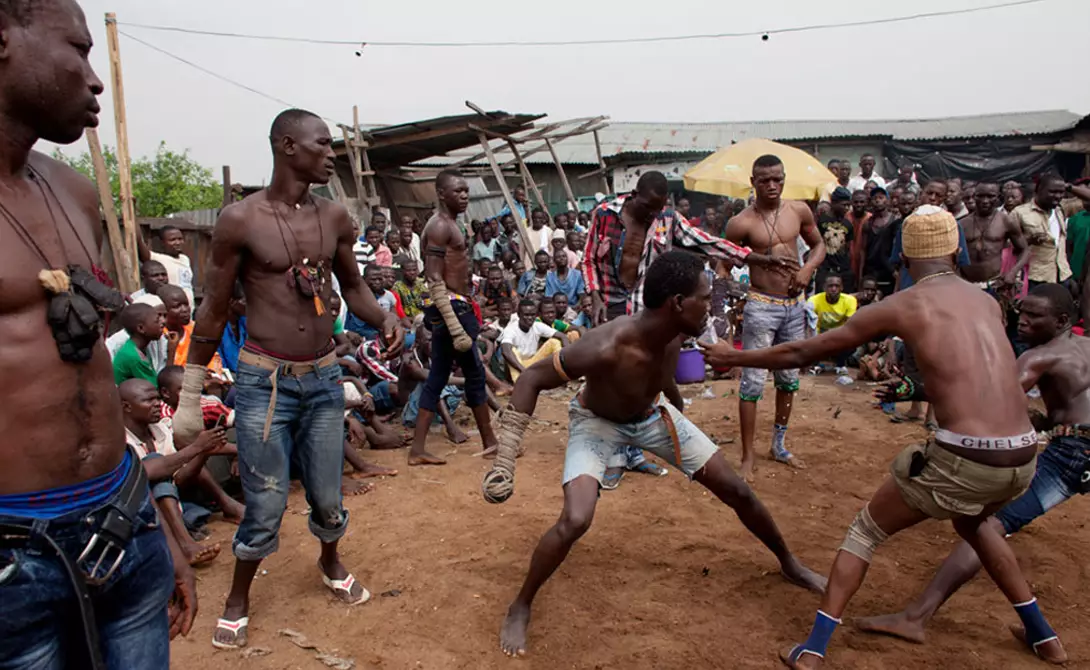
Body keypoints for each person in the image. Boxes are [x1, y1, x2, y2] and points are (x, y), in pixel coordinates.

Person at [700, 206, 1066, 668]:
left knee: (865, 530)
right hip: (1023, 458)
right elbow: (974, 380)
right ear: (955, 249)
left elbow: (804, 349)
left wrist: (736, 358)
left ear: (906, 257)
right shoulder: (986, 301)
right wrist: (915, 388)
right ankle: (1044, 637)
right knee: (975, 523)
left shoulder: (905, 304)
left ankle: (812, 650)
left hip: (966, 460)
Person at [485, 252, 825, 658]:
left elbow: (663, 379)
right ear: (678, 303)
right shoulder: (606, 344)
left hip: (653, 415)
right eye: (704, 296)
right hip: (597, 422)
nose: (711, 302)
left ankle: (788, 561)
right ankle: (520, 604)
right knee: (576, 518)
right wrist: (505, 458)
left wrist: (684, 426)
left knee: (737, 489)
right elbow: (533, 379)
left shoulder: (678, 333)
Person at [0, 1, 191, 665]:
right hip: (13, 554)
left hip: (120, 515)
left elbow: (85, 372)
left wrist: (155, 528)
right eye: (75, 50)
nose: (95, 78)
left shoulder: (75, 191)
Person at [175, 108, 403, 650]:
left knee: (327, 495)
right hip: (263, 383)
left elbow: (355, 288)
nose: (330, 153)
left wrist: (385, 318)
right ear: (286, 145)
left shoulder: (334, 217)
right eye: (322, 144)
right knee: (267, 501)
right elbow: (211, 308)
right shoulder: (240, 219)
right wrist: (189, 393)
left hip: (324, 378)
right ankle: (238, 597)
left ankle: (330, 560)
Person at [855, 283, 1084, 656]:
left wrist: (915, 388)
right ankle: (1042, 636)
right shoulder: (1084, 346)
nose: (1022, 321)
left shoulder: (1037, 358)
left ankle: (919, 617)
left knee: (986, 527)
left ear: (1061, 320)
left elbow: (987, 395)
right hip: (1075, 446)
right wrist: (1050, 422)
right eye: (1021, 313)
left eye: (1033, 316)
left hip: (1072, 453)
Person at [722, 155, 826, 479]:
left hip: (794, 306)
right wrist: (734, 298)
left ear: (784, 178)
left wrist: (808, 268)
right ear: (752, 182)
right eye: (764, 180)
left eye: (777, 179)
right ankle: (747, 456)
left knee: (788, 379)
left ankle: (778, 446)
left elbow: (819, 244)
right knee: (752, 382)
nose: (771, 185)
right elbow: (723, 265)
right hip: (761, 306)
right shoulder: (741, 222)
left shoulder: (798, 211)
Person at [408, 169, 498, 466]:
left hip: (455, 305)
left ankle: (418, 449)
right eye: (458, 191)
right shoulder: (439, 226)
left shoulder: (449, 225)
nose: (464, 196)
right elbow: (433, 277)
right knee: (473, 373)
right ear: (441, 193)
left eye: (466, 191)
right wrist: (454, 321)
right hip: (451, 307)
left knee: (438, 376)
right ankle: (491, 443)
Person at [1011, 175, 1085, 289]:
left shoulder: (1060, 209)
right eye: (1052, 192)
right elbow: (1007, 247)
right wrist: (1028, 240)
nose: (1058, 196)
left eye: (1061, 192)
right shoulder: (1020, 213)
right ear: (1038, 190)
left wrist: (1068, 186)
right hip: (1034, 279)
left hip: (1062, 276)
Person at [960, 182, 1030, 294]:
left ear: (998, 197)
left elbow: (1024, 250)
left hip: (993, 285)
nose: (985, 201)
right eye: (980, 196)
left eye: (990, 196)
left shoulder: (1006, 221)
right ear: (974, 197)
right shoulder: (962, 223)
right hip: (966, 285)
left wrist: (1012, 272)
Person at [500, 299, 570, 382]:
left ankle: (562, 374)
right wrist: (523, 370)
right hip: (517, 366)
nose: (530, 318)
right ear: (519, 315)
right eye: (526, 315)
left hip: (532, 363)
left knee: (554, 342)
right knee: (512, 350)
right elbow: (505, 351)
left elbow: (562, 336)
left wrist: (568, 356)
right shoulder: (510, 329)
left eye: (532, 315)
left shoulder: (537, 326)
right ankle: (521, 382)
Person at [138, 224, 195, 311]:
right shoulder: (158, 259)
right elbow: (142, 250)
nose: (177, 242)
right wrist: (136, 230)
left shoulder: (185, 259)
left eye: (180, 239)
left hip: (188, 311)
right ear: (162, 243)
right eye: (172, 240)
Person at [806, 276, 857, 372]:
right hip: (819, 332)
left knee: (852, 339)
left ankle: (840, 364)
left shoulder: (850, 300)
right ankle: (815, 364)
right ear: (824, 288)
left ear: (841, 288)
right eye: (830, 286)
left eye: (837, 286)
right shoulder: (814, 300)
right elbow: (811, 326)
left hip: (840, 332)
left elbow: (850, 325)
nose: (833, 289)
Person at [113, 303, 166, 384]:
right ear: (141, 328)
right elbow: (157, 390)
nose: (163, 322)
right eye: (157, 321)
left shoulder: (140, 349)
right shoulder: (133, 357)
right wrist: (171, 351)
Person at [814, 187, 855, 291]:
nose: (847, 208)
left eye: (848, 205)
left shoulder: (848, 224)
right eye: (844, 205)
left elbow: (848, 248)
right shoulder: (821, 221)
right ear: (834, 203)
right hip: (824, 268)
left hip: (842, 269)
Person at [858, 187, 896, 292]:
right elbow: (863, 250)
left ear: (887, 201)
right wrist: (860, 274)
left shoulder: (895, 221)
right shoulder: (867, 223)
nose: (878, 200)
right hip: (871, 269)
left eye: (881, 198)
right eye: (875, 198)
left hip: (888, 269)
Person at [216, 281, 248, 376]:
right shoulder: (218, 327)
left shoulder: (245, 322)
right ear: (232, 302)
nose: (248, 304)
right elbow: (220, 364)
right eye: (245, 300)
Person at [846, 190, 872, 282]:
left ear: (867, 203)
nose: (858, 205)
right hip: (848, 259)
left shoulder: (870, 219)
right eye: (856, 202)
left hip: (865, 259)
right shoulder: (846, 217)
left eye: (862, 202)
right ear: (851, 202)